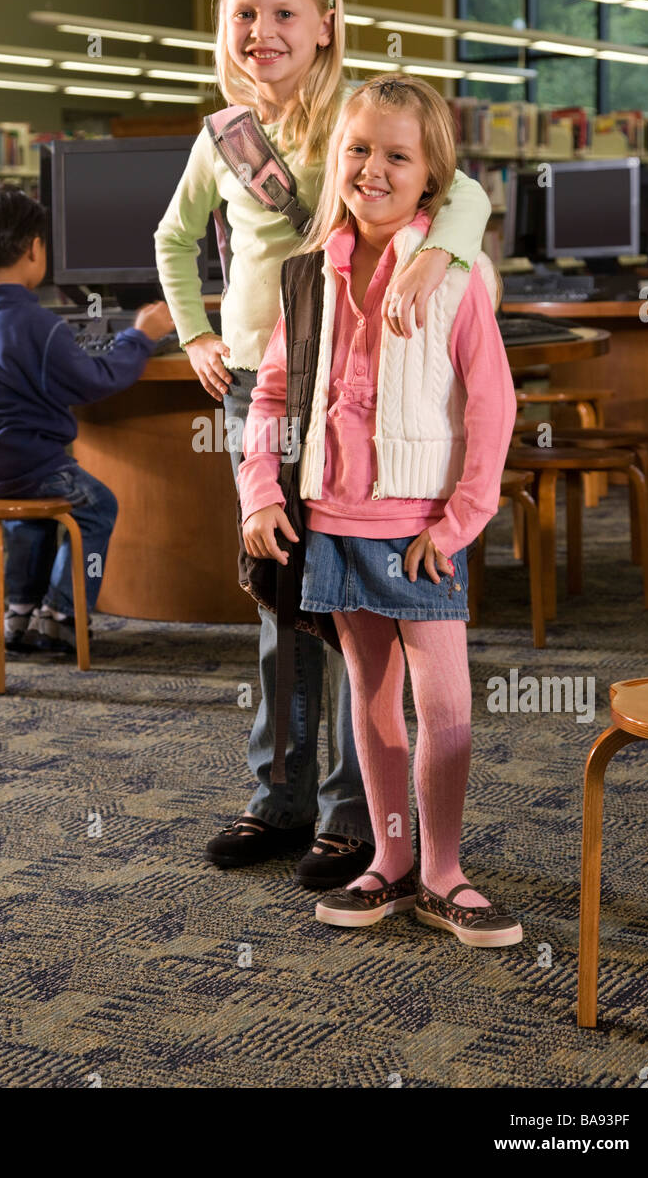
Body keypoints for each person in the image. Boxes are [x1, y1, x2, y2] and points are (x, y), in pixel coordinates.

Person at [155, 0, 492, 890]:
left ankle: (354, 814)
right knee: (282, 603)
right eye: (244, 14)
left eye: (283, 14)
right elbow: (172, 239)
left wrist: (439, 254)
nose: (262, 31)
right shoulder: (220, 136)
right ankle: (277, 797)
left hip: (353, 386)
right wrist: (196, 335)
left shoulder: (351, 117)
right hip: (268, 390)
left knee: (358, 611)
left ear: (325, 26)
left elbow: (458, 188)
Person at [240, 75, 522, 946]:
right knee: (368, 700)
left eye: (397, 155)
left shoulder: (453, 275)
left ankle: (444, 871)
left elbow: (494, 402)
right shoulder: (308, 274)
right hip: (333, 521)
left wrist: (463, 519)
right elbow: (274, 392)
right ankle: (391, 863)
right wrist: (258, 488)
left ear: (431, 174)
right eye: (359, 149)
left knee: (446, 710)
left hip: (422, 534)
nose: (373, 167)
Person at [0, 188, 174, 654]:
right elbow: (94, 380)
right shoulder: (39, 325)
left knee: (30, 517)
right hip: (24, 464)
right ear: (33, 249)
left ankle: (19, 612)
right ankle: (62, 613)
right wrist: (140, 337)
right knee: (97, 506)